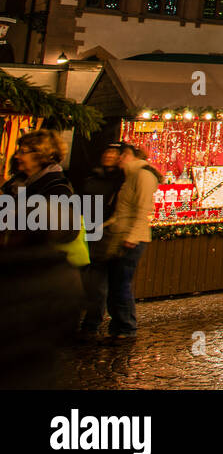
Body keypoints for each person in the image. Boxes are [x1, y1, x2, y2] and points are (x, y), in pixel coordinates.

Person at [0, 130, 83, 386]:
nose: (17, 156)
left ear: (43, 155)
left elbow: (62, 227)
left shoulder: (55, 187)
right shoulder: (17, 183)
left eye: (24, 151)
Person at [80, 142, 160, 342]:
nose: (116, 159)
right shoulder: (131, 176)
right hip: (119, 235)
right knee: (115, 283)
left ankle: (125, 328)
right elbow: (122, 210)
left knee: (121, 284)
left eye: (119, 155)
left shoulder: (143, 175)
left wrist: (132, 236)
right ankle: (119, 327)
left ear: (127, 156)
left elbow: (143, 209)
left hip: (131, 237)